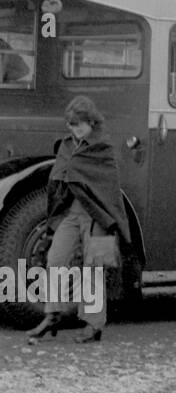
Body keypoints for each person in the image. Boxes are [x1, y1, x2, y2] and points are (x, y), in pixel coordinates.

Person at [26, 96, 132, 344]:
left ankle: (94, 326)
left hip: (96, 214)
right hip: (71, 214)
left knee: (93, 268)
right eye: (72, 125)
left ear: (91, 122)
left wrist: (106, 217)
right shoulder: (66, 145)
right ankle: (52, 315)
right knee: (55, 259)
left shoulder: (102, 146)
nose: (76, 130)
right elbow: (60, 176)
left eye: (80, 125)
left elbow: (108, 185)